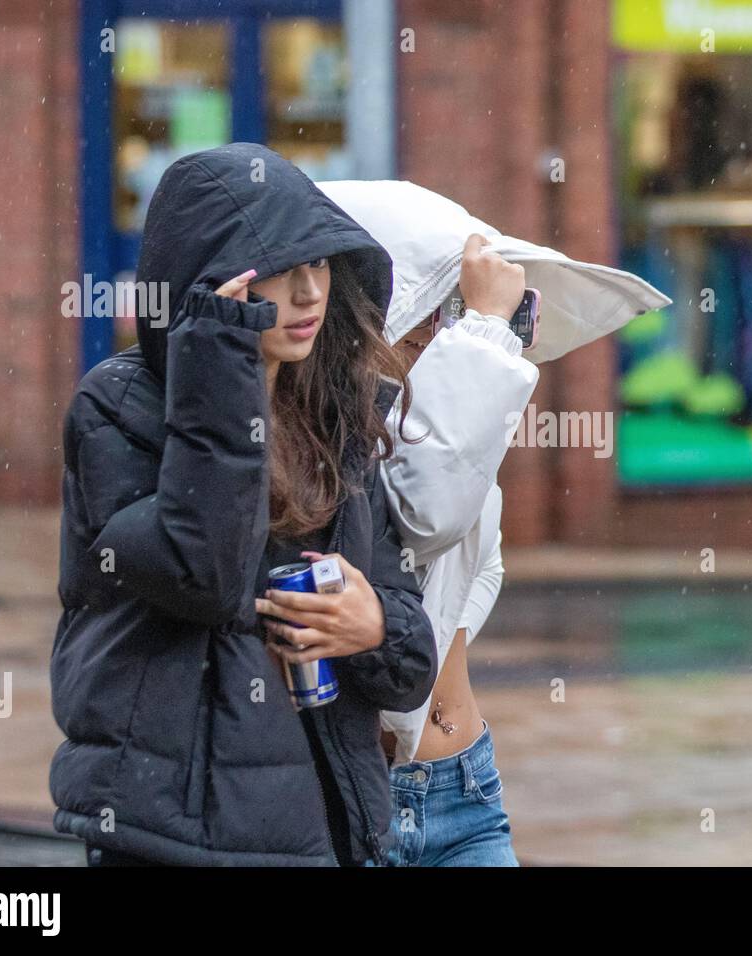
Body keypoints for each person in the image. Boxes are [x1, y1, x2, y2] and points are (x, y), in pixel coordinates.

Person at [50, 143, 438, 866]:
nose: (310, 293)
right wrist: (220, 364)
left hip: (326, 827)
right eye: (282, 273)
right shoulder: (118, 407)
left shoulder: (334, 420)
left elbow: (413, 658)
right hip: (173, 833)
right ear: (208, 287)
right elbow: (205, 573)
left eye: (320, 266)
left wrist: (372, 624)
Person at [316, 179, 671, 865]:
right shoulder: (339, 431)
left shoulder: (446, 406)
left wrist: (438, 633)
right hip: (369, 799)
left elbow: (484, 559)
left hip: (466, 788)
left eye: (455, 309)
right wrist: (481, 329)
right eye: (430, 308)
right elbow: (429, 512)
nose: (441, 329)